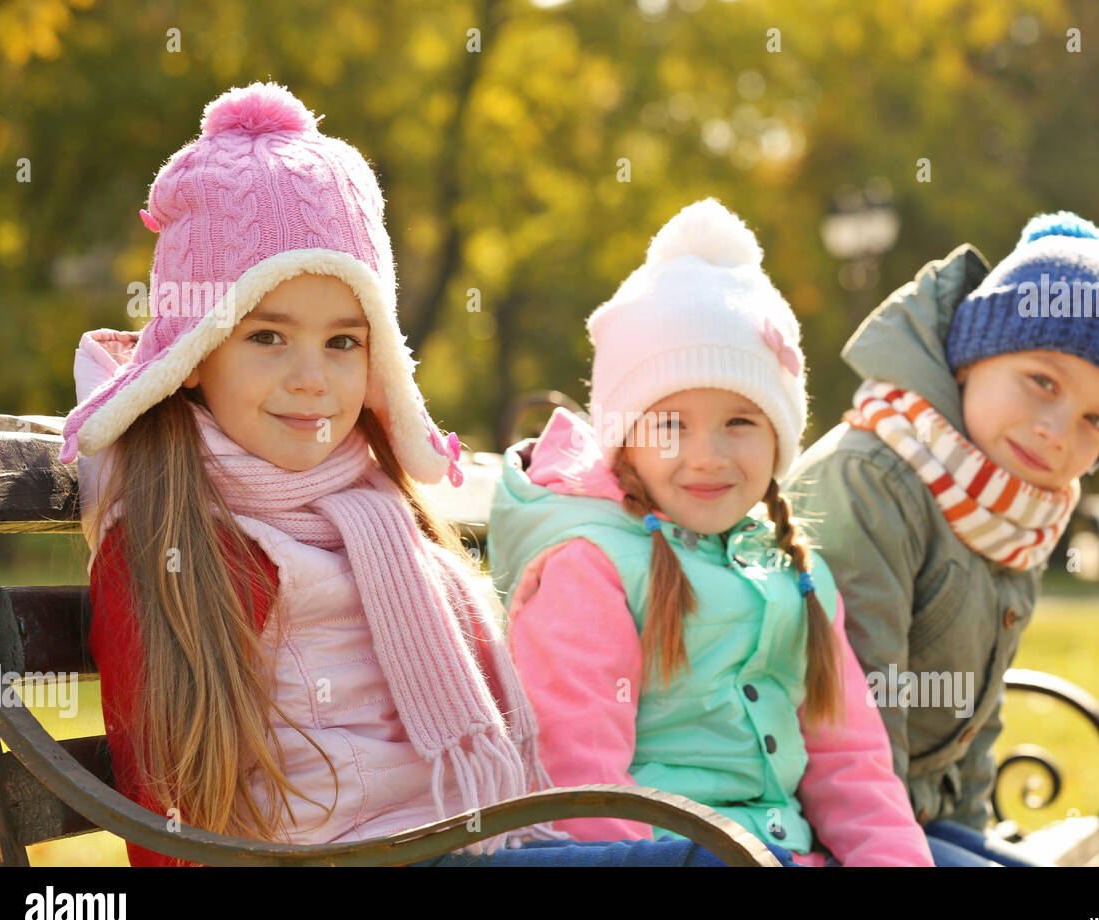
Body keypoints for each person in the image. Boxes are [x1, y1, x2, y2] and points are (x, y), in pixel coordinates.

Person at [62, 84, 765, 867]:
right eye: (266, 336)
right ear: (192, 357)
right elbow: (164, 819)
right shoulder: (176, 541)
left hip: (460, 845)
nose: (311, 379)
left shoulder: (373, 505)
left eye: (343, 342)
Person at [487, 198, 934, 866]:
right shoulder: (589, 563)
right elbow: (583, 788)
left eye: (741, 422)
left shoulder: (793, 570)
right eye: (671, 425)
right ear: (626, 440)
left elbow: (851, 761)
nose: (707, 456)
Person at [784, 212, 1099, 865]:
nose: (1056, 431)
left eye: (1095, 421)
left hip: (917, 813)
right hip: (819, 820)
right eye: (1043, 381)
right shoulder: (870, 481)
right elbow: (855, 714)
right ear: (973, 354)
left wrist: (975, 833)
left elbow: (978, 716)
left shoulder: (1015, 511)